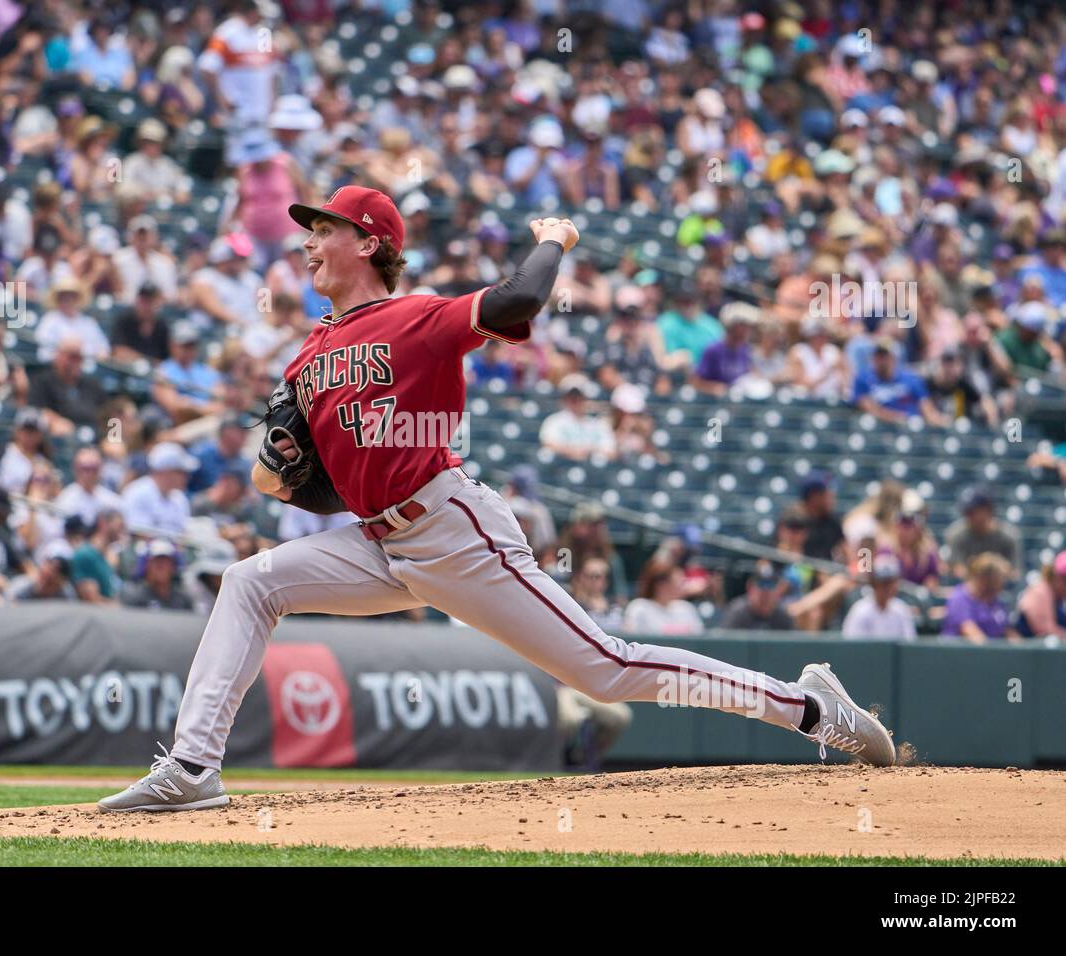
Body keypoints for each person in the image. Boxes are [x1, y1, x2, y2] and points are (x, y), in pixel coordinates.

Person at [101, 188, 893, 814]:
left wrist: (555, 238)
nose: (306, 239)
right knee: (250, 581)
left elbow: (517, 303)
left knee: (608, 671)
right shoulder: (308, 351)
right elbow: (312, 488)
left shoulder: (415, 317)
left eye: (325, 227)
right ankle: (193, 768)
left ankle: (809, 708)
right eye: (307, 227)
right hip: (376, 541)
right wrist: (281, 471)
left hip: (452, 531)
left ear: (370, 242)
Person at [943, 485, 1021, 578]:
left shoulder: (1008, 536)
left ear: (988, 510)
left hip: (1001, 589)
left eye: (972, 512)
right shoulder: (955, 534)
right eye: (966, 512)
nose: (968, 516)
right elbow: (956, 569)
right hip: (968, 589)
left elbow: (1015, 573)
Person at [120, 442, 196, 534]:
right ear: (167, 472)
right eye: (181, 473)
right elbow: (137, 535)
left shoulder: (180, 498)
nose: (186, 478)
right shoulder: (136, 493)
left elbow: (184, 534)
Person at [942, 552, 1017, 643]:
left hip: (993, 652)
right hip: (964, 655)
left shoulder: (993, 599)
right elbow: (974, 637)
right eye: (999, 579)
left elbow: (1006, 631)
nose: (1002, 584)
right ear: (984, 578)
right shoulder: (959, 599)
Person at [623, 556, 705, 635]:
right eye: (678, 582)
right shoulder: (639, 608)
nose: (682, 586)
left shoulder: (686, 608)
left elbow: (699, 640)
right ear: (661, 585)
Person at [841, 554, 917, 640]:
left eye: (891, 582)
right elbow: (852, 648)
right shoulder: (860, 610)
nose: (888, 588)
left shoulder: (901, 609)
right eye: (884, 583)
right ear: (874, 584)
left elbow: (909, 644)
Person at [120, 538, 194, 611]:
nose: (161, 566)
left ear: (173, 567)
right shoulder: (133, 595)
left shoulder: (183, 600)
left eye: (166, 562)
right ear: (146, 566)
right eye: (157, 562)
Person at [70, 507, 125, 604]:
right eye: (119, 526)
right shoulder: (85, 555)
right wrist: (121, 609)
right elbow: (91, 599)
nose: (122, 530)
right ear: (102, 523)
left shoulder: (110, 557)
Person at [718, 564, 796, 631]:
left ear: (779, 590)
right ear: (749, 587)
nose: (765, 591)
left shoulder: (783, 617)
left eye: (770, 585)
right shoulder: (737, 613)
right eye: (761, 584)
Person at [7, 539, 78, 602]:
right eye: (44, 578)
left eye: (49, 582)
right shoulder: (20, 588)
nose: (43, 585)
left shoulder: (67, 594)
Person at [1016, 551, 1066, 639]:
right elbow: (1045, 630)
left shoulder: (1059, 597)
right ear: (1056, 577)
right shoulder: (1040, 593)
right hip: (1029, 649)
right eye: (1064, 579)